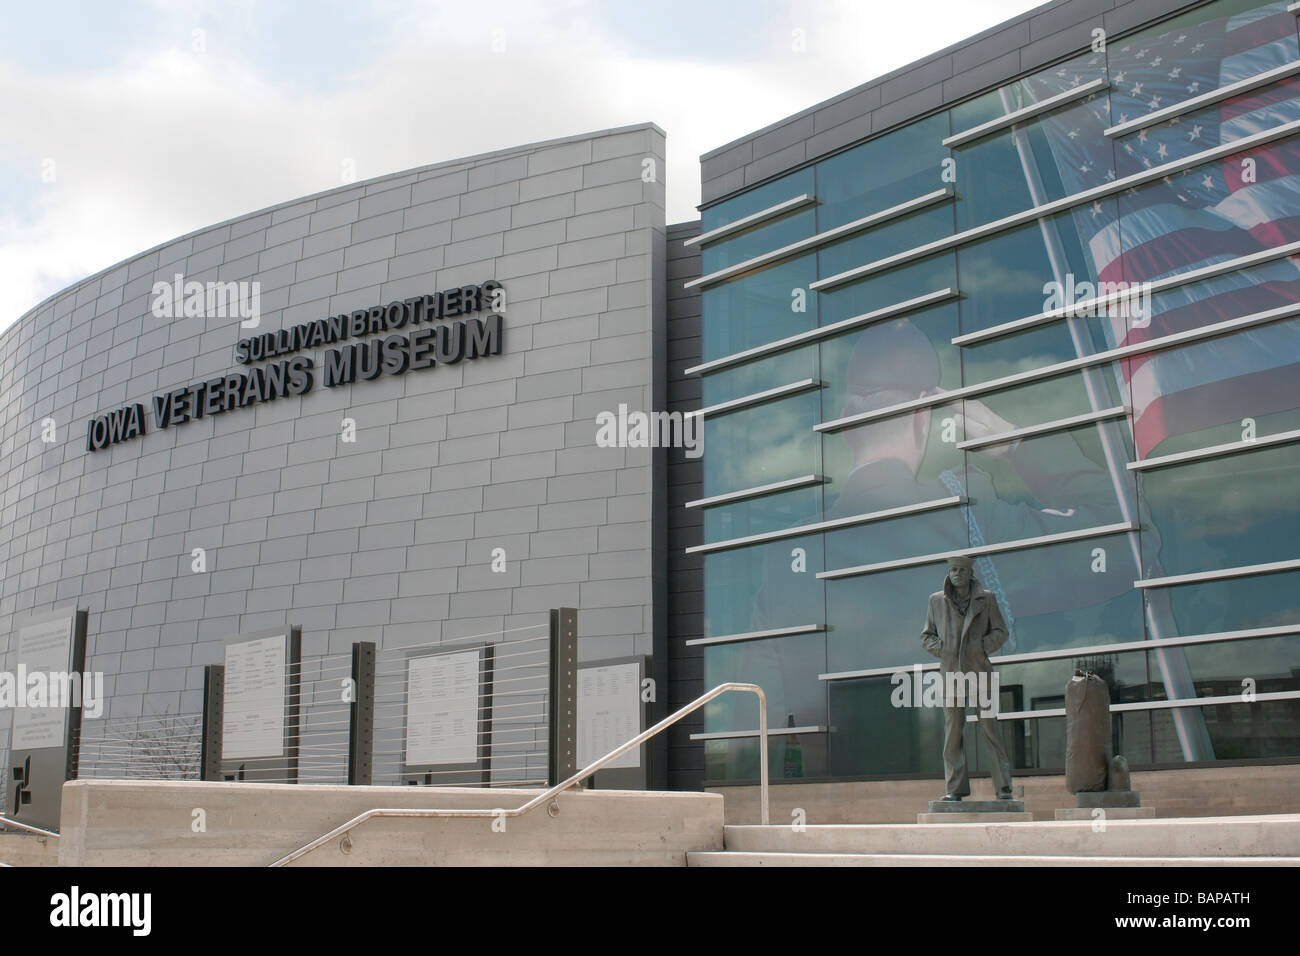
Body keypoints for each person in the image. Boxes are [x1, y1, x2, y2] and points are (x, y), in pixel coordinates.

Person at [920, 555, 1012, 801]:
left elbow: (1001, 631)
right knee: (953, 733)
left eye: (961, 570)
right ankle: (955, 789)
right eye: (953, 570)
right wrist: (943, 649)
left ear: (970, 574)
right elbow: (926, 636)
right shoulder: (936, 601)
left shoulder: (986, 598)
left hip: (980, 672)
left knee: (991, 730)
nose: (957, 573)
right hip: (951, 674)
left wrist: (980, 647)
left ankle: (1003, 788)